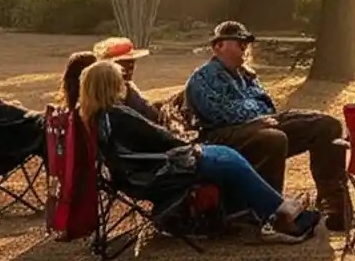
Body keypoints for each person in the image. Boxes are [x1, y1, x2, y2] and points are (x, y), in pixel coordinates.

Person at [78, 60, 319, 243]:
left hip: (141, 171)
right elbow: (160, 137)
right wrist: (187, 143)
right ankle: (279, 212)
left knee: (228, 157)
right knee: (229, 160)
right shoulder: (119, 114)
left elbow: (146, 140)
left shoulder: (95, 116)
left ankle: (267, 210)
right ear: (111, 85)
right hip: (161, 170)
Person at [183, 21, 346, 231]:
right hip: (220, 137)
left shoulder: (247, 75)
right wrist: (254, 120)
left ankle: (333, 204)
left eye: (246, 42)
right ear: (218, 46)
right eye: (238, 42)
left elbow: (267, 105)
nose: (244, 46)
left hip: (264, 122)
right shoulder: (203, 78)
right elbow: (220, 113)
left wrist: (256, 116)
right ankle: (271, 213)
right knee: (273, 138)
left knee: (326, 125)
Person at [93, 37, 161, 123]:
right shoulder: (105, 95)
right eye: (126, 62)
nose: (131, 66)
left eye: (133, 61)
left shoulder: (128, 87)